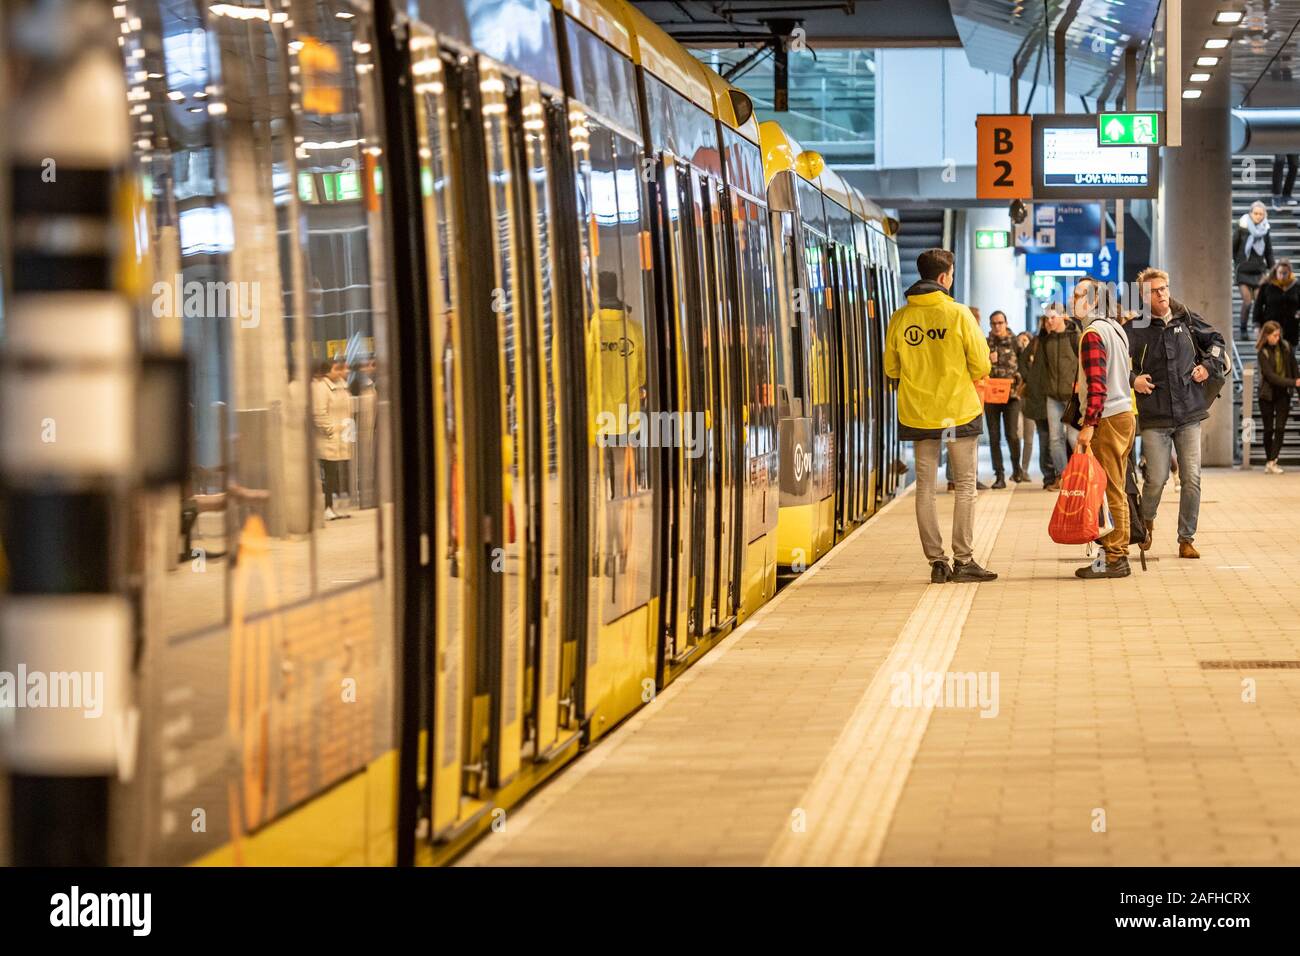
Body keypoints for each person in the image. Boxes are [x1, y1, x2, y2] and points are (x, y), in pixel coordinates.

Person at [884, 247, 997, 584]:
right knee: (965, 486)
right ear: (946, 276)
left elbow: (891, 367)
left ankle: (937, 562)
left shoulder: (900, 318)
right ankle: (964, 560)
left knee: (925, 488)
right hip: (958, 413)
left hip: (918, 415)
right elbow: (982, 365)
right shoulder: (959, 314)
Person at [1128, 267, 1228, 559]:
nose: (1162, 294)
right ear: (1143, 296)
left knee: (1192, 478)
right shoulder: (1134, 328)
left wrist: (1207, 367)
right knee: (1156, 479)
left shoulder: (1185, 319)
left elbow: (1217, 342)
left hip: (1188, 413)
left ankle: (1186, 539)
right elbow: (1118, 364)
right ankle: (1147, 521)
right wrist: (1133, 379)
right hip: (1154, 416)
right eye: (1154, 290)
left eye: (1164, 288)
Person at [1069, 278, 1137, 579]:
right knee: (1117, 487)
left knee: (1110, 489)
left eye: (1079, 295)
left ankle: (1115, 558)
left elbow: (1097, 386)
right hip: (1125, 413)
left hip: (1106, 418)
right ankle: (1114, 552)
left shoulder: (1093, 334)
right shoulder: (1116, 329)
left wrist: (1089, 424)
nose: (1073, 300)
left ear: (1094, 301)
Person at [1042, 303, 1081, 490]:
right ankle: (1064, 476)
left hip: (1072, 395)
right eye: (1047, 318)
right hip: (1053, 396)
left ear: (1063, 317)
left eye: (1053, 317)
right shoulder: (1046, 340)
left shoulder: (1076, 337)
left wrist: (1080, 385)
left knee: (1074, 438)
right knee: (1055, 438)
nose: (1049, 322)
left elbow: (1084, 363)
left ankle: (1083, 475)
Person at [984, 310, 1025, 488]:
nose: (997, 326)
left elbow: (1025, 367)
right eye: (994, 323)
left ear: (1006, 323)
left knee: (1012, 435)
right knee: (994, 437)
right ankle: (999, 475)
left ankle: (1017, 468)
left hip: (1012, 396)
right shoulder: (985, 344)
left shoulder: (1016, 342)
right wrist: (988, 360)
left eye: (1000, 323)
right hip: (991, 396)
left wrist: (1021, 386)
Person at [1255, 319, 1300, 473]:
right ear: (1266, 335)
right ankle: (1269, 460)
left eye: (1278, 335)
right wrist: (1293, 382)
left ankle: (1273, 461)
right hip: (1266, 395)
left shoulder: (1286, 347)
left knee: (1280, 428)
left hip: (1283, 394)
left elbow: (1294, 369)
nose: (1277, 338)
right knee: (1268, 430)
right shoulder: (1263, 352)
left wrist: (1297, 389)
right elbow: (1270, 376)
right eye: (1274, 335)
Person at [312, 356, 353, 520]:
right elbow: (319, 412)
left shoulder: (342, 387)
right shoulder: (322, 388)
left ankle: (333, 506)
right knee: (328, 473)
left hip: (341, 436)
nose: (344, 371)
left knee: (335, 473)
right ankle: (326, 507)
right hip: (328, 438)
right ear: (327, 371)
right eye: (338, 369)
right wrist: (330, 430)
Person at [1019, 318, 1058, 489]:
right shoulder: (1036, 341)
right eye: (1046, 320)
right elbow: (1022, 362)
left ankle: (1058, 474)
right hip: (1039, 398)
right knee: (1045, 437)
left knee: (1057, 438)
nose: (1049, 323)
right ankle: (1049, 476)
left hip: (1057, 396)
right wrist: (1031, 379)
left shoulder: (1062, 339)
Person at [1233, 201, 1274, 337]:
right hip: (1243, 270)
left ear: (1264, 215)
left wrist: (1273, 269)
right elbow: (1233, 246)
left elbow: (1268, 251)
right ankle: (1243, 329)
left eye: (1261, 214)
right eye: (1255, 213)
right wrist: (1237, 262)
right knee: (1247, 300)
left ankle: (1260, 329)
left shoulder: (1265, 229)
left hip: (1258, 271)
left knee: (1260, 302)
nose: (1258, 216)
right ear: (1250, 213)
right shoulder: (1242, 227)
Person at [1251, 258, 1300, 349]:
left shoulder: (1296, 286)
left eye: (1285, 273)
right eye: (1280, 273)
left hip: (1291, 330)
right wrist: (1256, 325)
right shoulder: (1267, 286)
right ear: (1275, 271)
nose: (1282, 276)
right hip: (1271, 329)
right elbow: (1258, 306)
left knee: (1288, 360)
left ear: (1290, 272)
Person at [1015, 330, 1036, 479]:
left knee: (1029, 437)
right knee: (1017, 435)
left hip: (1030, 400)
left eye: (1025, 340)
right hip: (1016, 400)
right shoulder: (1012, 358)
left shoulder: (1035, 359)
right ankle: (1016, 469)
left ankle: (1024, 469)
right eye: (1020, 340)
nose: (1023, 343)